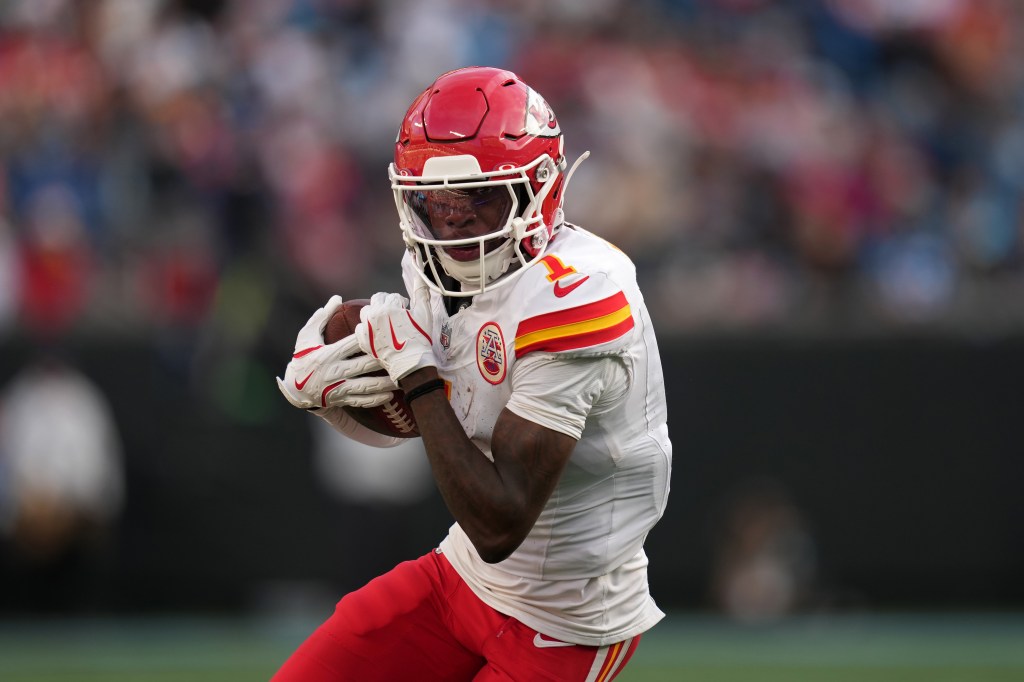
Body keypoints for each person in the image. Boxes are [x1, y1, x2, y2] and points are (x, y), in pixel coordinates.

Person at [274, 66, 672, 682]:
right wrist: (338, 386)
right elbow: (442, 417)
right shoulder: (436, 265)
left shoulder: (578, 293)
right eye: (437, 201)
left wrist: (414, 371)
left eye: (477, 196)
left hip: (568, 619)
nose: (453, 221)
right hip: (462, 578)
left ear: (539, 188)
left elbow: (499, 521)